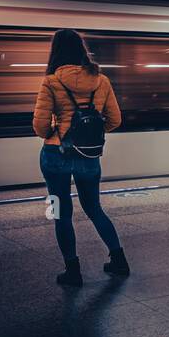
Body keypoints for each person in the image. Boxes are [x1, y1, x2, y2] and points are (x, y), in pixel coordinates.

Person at [32, 29, 128, 286]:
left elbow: (40, 127)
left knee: (61, 212)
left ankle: (73, 271)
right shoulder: (102, 80)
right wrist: (90, 133)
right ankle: (119, 259)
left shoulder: (51, 81)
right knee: (94, 208)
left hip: (56, 155)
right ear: (81, 50)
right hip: (88, 155)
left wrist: (57, 131)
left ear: (56, 51)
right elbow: (115, 120)